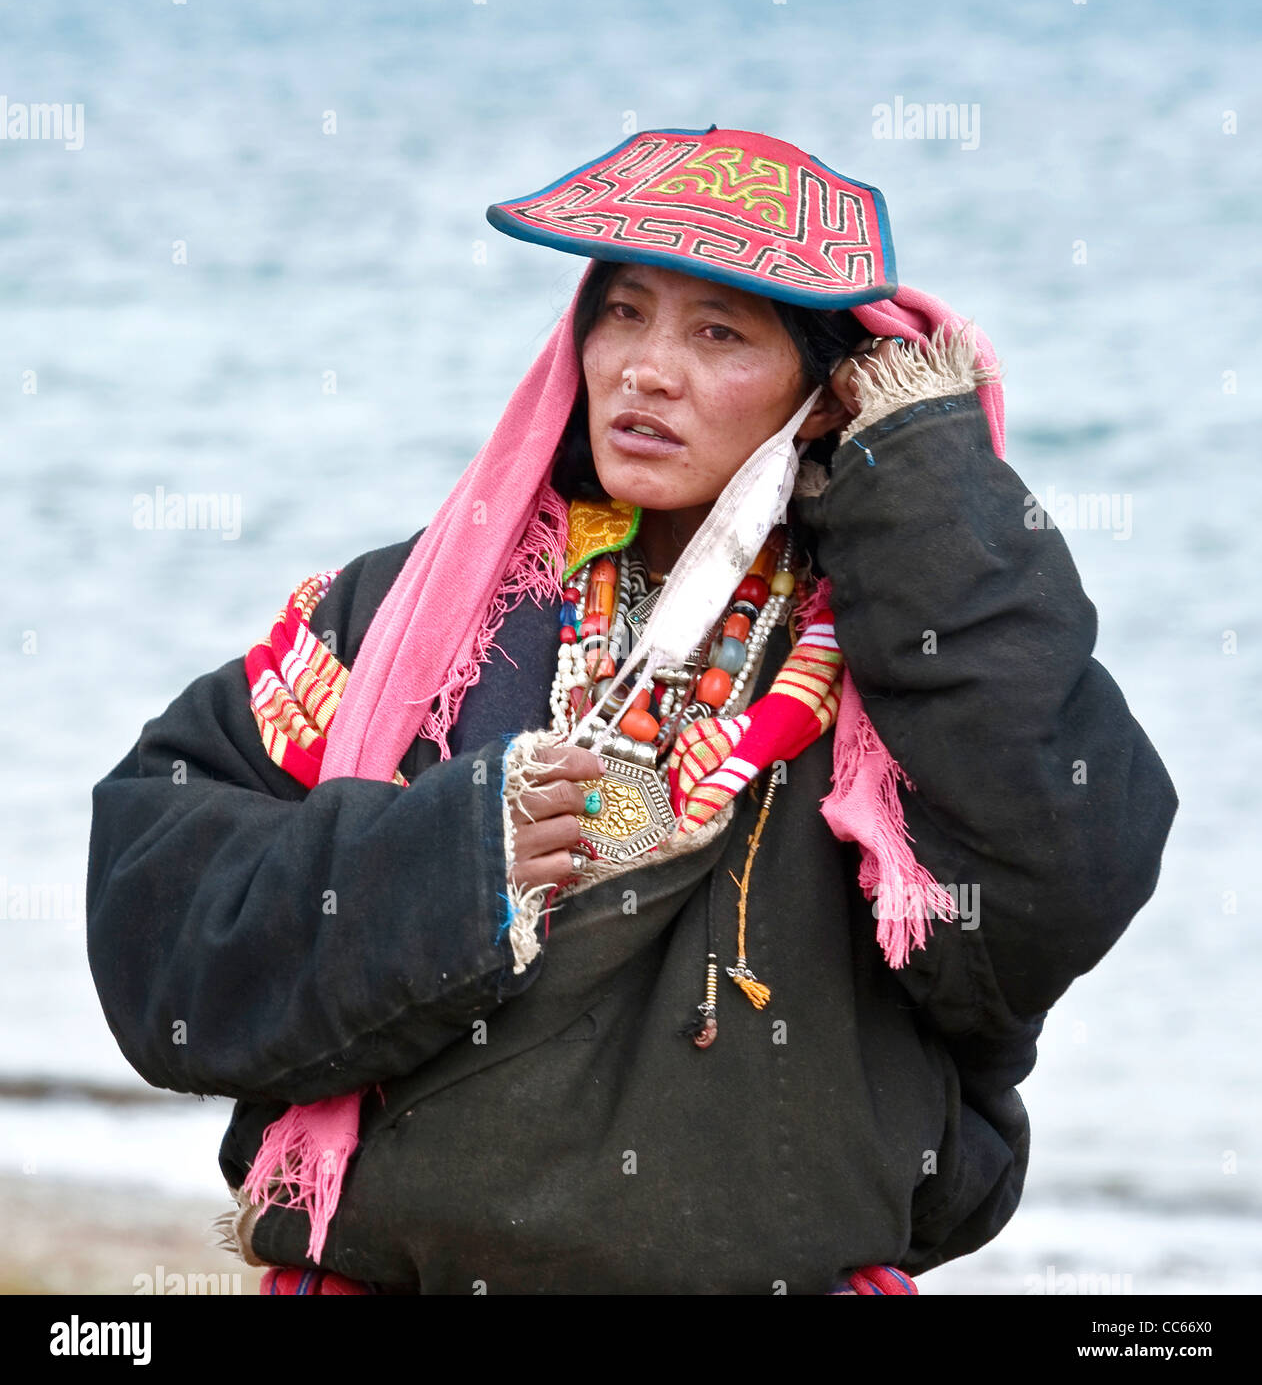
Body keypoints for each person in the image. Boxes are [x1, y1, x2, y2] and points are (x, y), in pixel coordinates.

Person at [86, 126, 1177, 1295]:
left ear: (822, 394)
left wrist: (914, 467)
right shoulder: (417, 613)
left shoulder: (899, 660)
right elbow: (159, 916)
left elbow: (1056, 884)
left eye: (718, 332)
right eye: (621, 312)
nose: (646, 369)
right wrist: (454, 856)